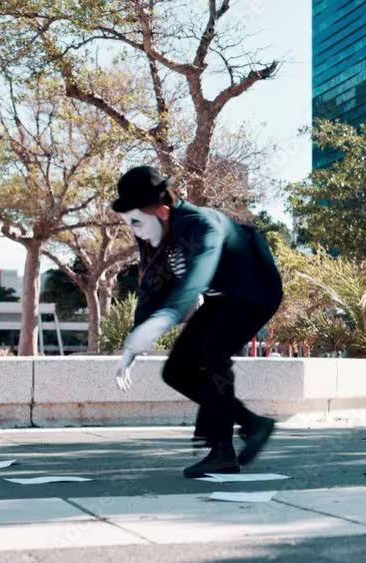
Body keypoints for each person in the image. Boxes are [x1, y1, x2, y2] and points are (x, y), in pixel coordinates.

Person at [112, 166, 283, 478]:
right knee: (176, 370)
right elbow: (150, 286)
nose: (134, 230)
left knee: (213, 354)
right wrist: (134, 341)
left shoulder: (201, 225)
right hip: (223, 299)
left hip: (256, 291)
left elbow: (196, 276)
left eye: (136, 221)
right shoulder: (151, 235)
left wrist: (165, 318)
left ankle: (222, 452)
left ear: (162, 212)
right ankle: (252, 423)